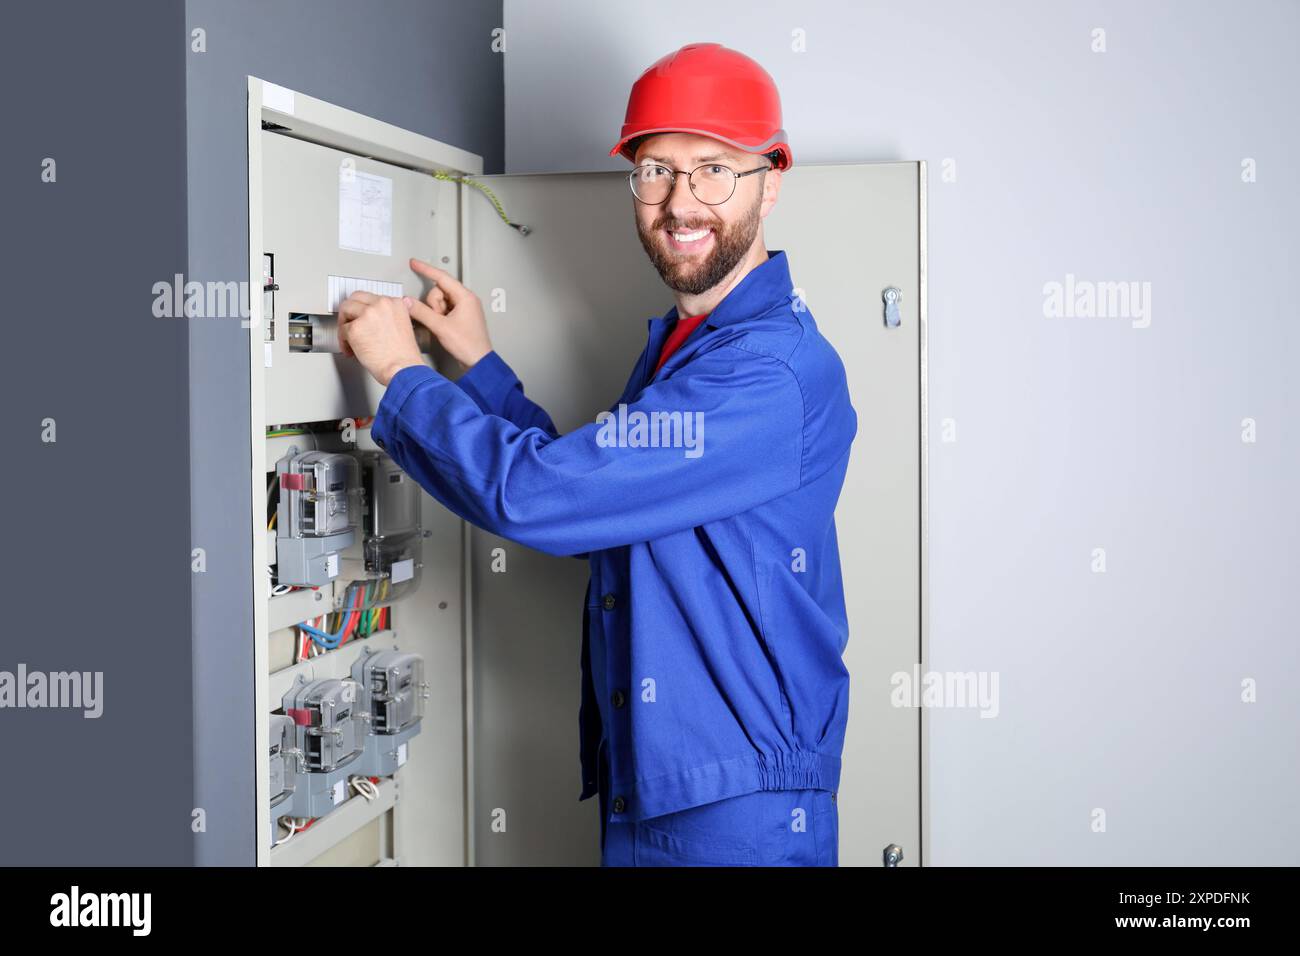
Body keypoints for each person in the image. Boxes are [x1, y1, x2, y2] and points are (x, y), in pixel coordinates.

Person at [338, 42, 856, 866]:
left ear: (773, 178)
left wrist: (401, 375)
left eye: (714, 169)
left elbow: (543, 498)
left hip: (733, 812)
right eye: (655, 170)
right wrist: (478, 369)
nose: (682, 202)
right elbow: (597, 493)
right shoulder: (690, 344)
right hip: (661, 780)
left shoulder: (765, 375)